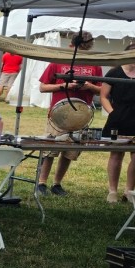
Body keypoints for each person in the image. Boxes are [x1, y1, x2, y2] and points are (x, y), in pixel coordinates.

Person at [35, 31, 102, 197]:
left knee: (70, 151)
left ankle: (57, 184)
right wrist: (65, 86)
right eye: (80, 48)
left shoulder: (95, 64)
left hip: (81, 116)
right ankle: (41, 183)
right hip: (58, 114)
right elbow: (43, 87)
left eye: (85, 48)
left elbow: (101, 90)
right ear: (72, 45)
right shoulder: (59, 61)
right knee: (50, 149)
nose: (82, 51)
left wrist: (88, 86)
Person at [101, 60, 135, 202]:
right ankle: (112, 191)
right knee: (117, 154)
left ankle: (129, 192)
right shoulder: (114, 72)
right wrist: (113, 113)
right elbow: (104, 96)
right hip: (119, 116)